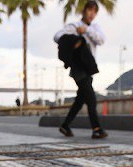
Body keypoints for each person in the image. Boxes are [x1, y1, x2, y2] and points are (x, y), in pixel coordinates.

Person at [54, 0, 107, 139]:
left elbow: (101, 40)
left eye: (95, 11)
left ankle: (65, 126)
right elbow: (57, 36)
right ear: (84, 11)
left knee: (80, 100)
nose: (92, 14)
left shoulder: (95, 28)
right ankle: (97, 129)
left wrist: (87, 30)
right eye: (90, 10)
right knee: (91, 98)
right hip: (78, 67)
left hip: (89, 67)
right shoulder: (74, 26)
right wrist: (73, 40)